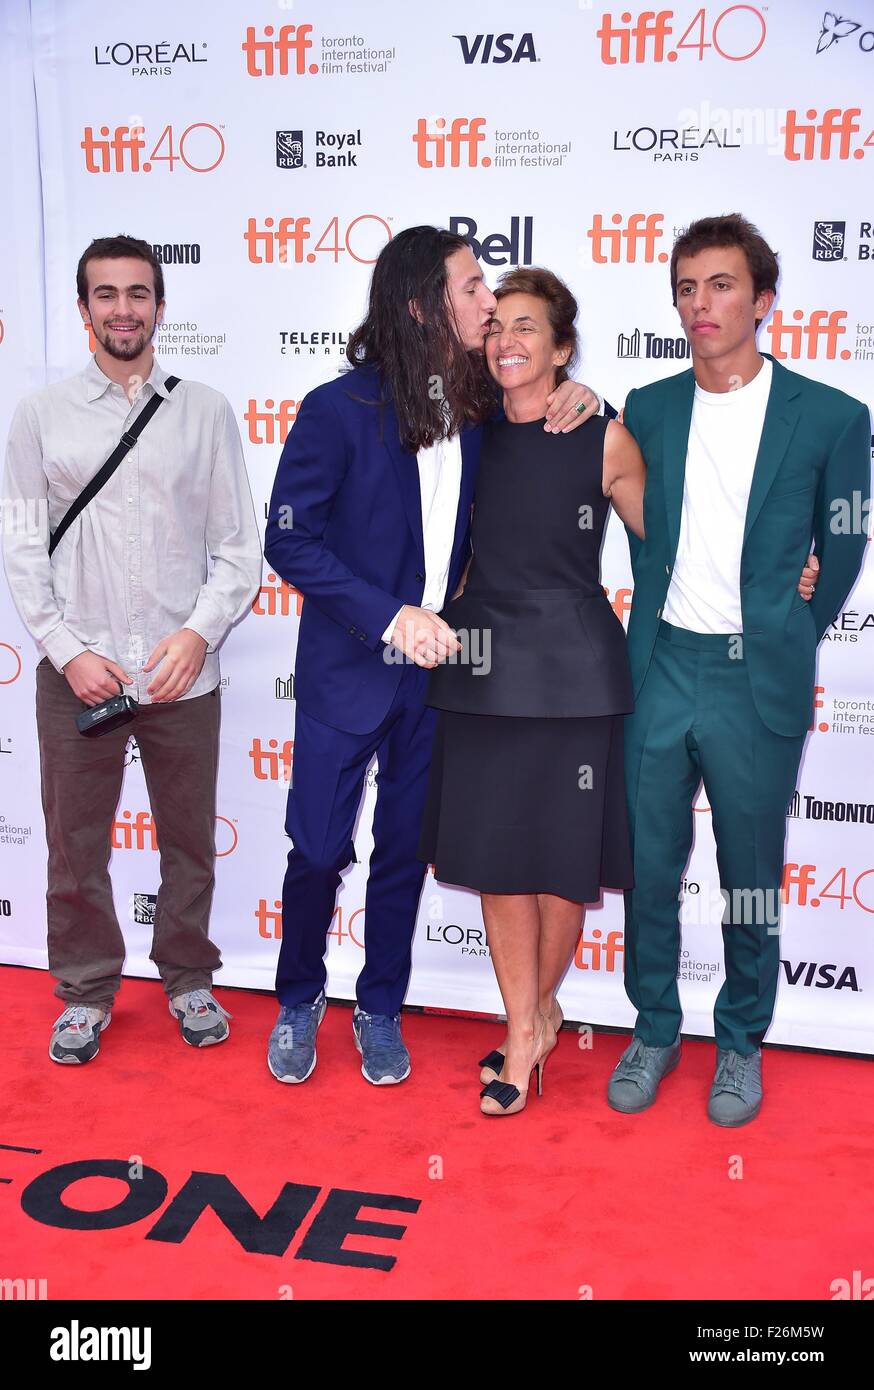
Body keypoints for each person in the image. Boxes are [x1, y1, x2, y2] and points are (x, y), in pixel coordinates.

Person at [263, 226, 601, 1087]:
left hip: (441, 684)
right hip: (347, 672)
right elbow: (290, 540)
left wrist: (582, 394)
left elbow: (548, 420)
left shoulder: (482, 408)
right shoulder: (336, 410)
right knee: (317, 848)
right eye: (473, 288)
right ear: (422, 304)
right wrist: (389, 617)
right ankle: (299, 998)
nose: (490, 305)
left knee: (405, 851)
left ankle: (380, 1007)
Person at [607, 213, 870, 1126]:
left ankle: (742, 1041)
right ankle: (652, 1026)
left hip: (754, 676)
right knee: (647, 863)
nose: (699, 304)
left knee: (749, 871)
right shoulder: (647, 407)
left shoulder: (833, 417)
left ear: (762, 300)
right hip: (660, 667)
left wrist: (796, 616)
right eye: (686, 287)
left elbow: (844, 539)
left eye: (720, 285)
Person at [2, 234, 262, 1063]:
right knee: (76, 847)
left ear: (159, 305)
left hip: (182, 675)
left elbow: (238, 546)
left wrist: (198, 633)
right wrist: (65, 649)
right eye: (106, 295)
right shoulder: (39, 416)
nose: (124, 309)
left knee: (188, 841)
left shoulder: (206, 410)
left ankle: (188, 978)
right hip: (77, 673)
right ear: (84, 310)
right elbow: (19, 543)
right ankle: (84, 991)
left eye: (138, 294)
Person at [418, 267, 645, 1115]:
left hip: (577, 672)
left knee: (557, 860)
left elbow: (670, 545)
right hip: (478, 665)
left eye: (528, 326)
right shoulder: (463, 433)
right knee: (497, 862)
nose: (507, 339)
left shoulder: (602, 433)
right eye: (496, 325)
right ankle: (527, 1024)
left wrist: (785, 571)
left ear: (561, 346)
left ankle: (531, 1023)